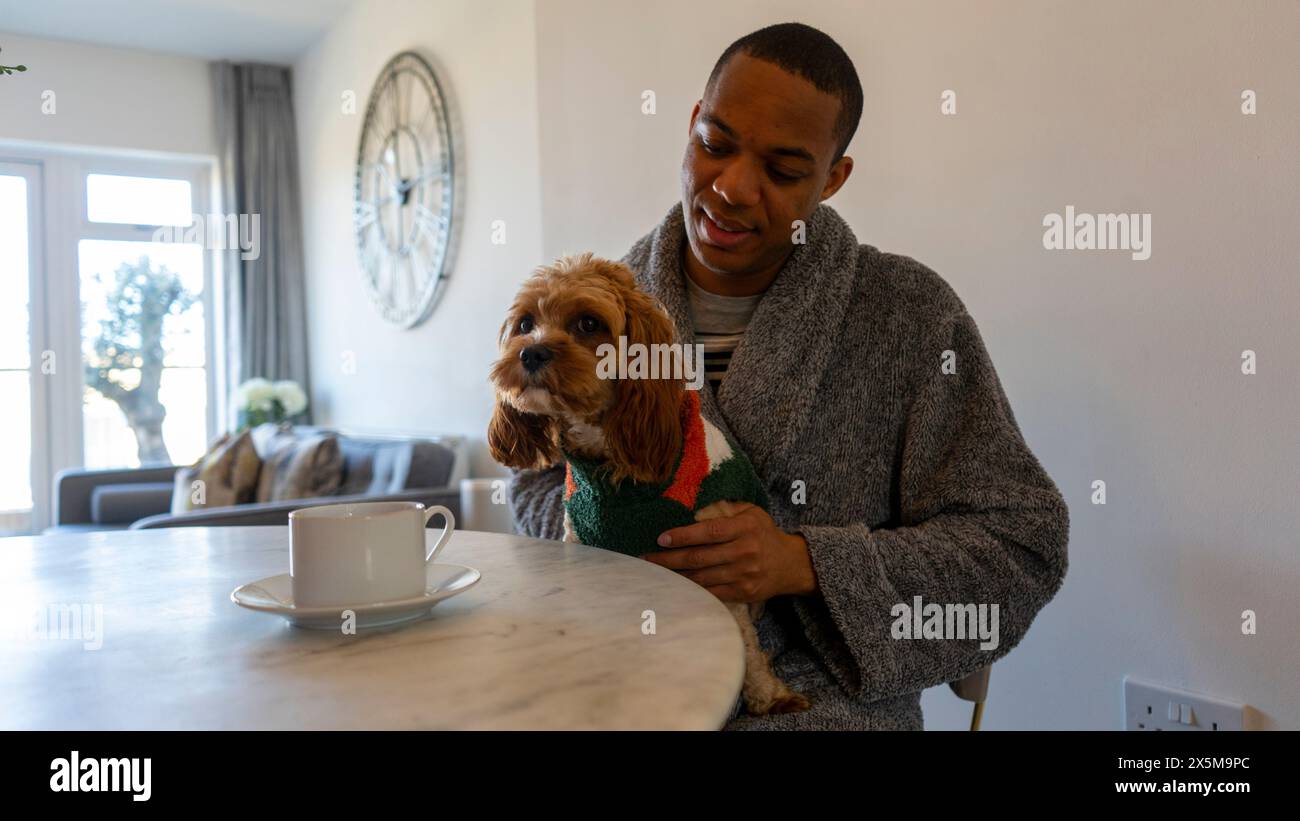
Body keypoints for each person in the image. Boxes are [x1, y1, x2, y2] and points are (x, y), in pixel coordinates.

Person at [507, 21, 1070, 730]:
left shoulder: (909, 317)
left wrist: (804, 562)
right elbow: (533, 472)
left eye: (781, 170)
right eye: (715, 146)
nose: (733, 188)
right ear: (690, 127)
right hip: (620, 673)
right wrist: (611, 553)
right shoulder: (598, 306)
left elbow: (1020, 544)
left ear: (833, 177)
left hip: (820, 705)